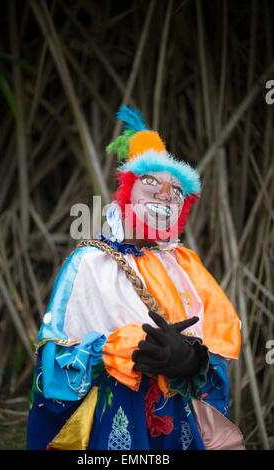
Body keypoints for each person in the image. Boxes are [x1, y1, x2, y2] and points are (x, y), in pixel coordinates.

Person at [26, 106, 244, 450]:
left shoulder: (186, 265)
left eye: (176, 190)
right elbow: (53, 359)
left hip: (177, 415)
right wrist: (113, 349)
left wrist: (189, 359)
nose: (165, 195)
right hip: (111, 415)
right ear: (126, 192)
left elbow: (217, 348)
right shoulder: (89, 262)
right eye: (151, 183)